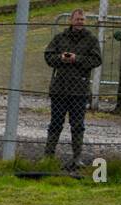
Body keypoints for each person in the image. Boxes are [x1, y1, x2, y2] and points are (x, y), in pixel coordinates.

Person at [43, 8, 102, 167]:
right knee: (56, 122)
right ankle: (48, 156)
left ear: (85, 21)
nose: (79, 22)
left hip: (79, 90)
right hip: (60, 88)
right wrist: (61, 58)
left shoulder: (91, 40)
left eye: (82, 19)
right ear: (71, 20)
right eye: (77, 19)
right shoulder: (60, 38)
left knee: (77, 125)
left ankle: (77, 158)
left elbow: (97, 59)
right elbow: (48, 56)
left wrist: (77, 59)